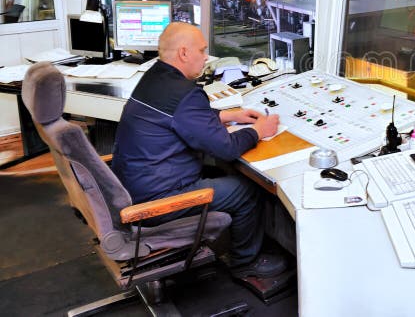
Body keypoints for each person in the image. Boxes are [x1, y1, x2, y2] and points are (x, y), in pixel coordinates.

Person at [112, 21, 288, 279]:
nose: (206, 58)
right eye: (202, 50)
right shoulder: (186, 93)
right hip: (157, 199)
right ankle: (245, 264)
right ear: (184, 53)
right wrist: (260, 130)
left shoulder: (154, 78)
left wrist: (228, 115)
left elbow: (181, 118)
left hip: (135, 186)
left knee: (221, 174)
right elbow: (226, 149)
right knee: (247, 190)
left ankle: (234, 242)